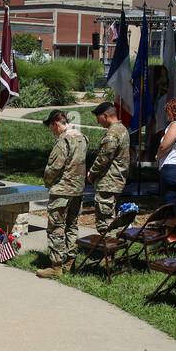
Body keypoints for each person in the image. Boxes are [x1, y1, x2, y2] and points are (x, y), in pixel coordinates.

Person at [36, 109, 87, 278]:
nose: (52, 131)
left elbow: (54, 167)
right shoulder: (81, 137)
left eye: (51, 128)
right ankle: (70, 262)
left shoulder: (63, 140)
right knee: (72, 225)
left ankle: (56, 266)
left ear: (56, 124)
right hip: (78, 189)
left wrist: (47, 181)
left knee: (56, 227)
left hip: (62, 191)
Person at [88, 102, 130, 233]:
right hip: (117, 180)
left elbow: (103, 158)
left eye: (98, 117)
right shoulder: (123, 129)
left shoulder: (112, 134)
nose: (97, 122)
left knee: (104, 222)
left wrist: (92, 173)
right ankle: (115, 247)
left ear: (105, 115)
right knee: (112, 218)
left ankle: (108, 249)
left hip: (108, 182)